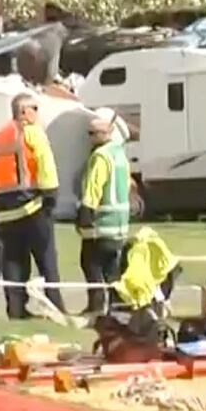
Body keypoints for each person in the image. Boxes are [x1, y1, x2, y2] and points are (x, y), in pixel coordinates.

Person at [0, 92, 63, 320]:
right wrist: (51, 196)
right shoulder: (32, 132)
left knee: (13, 262)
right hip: (33, 207)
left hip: (6, 212)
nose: (37, 113)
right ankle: (56, 307)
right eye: (35, 108)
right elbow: (45, 163)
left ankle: (16, 308)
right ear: (24, 111)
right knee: (47, 262)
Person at [76, 108, 131, 317]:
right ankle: (116, 308)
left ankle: (96, 306)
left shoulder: (100, 156)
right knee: (113, 271)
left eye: (91, 134)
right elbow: (125, 185)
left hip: (101, 224)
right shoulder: (119, 154)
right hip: (119, 224)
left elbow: (94, 186)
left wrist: (86, 212)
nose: (89, 138)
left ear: (102, 134)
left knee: (91, 264)